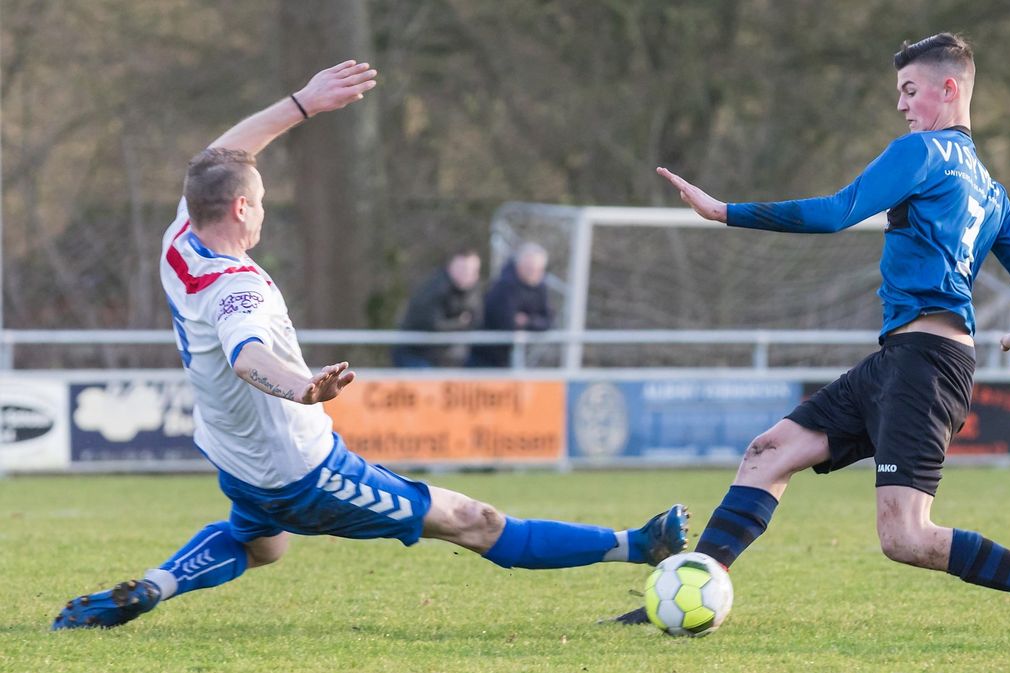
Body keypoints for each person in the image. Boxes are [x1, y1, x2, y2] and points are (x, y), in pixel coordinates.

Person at [52, 60, 688, 631]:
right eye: (264, 200)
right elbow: (248, 355)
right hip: (302, 471)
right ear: (242, 209)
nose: (267, 208)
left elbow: (222, 154)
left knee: (262, 546)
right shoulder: (234, 287)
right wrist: (302, 387)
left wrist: (304, 103)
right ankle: (638, 544)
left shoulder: (179, 243)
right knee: (474, 521)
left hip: (234, 456)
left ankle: (155, 586)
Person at [610, 33, 1010, 631]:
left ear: (949, 90)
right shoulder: (992, 193)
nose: (901, 105)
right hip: (908, 360)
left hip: (923, 366)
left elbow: (838, 211)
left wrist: (727, 212)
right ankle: (692, 587)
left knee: (906, 537)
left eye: (910, 90)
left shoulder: (922, 153)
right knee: (769, 453)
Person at [391, 249, 482, 368]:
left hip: (446, 358)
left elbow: (476, 321)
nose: (467, 274)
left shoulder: (473, 293)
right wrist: (460, 323)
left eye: (472, 271)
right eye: (462, 269)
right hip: (415, 353)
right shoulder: (436, 289)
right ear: (450, 267)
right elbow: (433, 325)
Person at [468, 242, 554, 368]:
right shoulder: (504, 287)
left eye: (538, 270)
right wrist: (533, 323)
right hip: (486, 358)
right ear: (519, 266)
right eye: (529, 268)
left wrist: (527, 321)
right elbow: (507, 325)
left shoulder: (540, 287)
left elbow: (549, 321)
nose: (534, 273)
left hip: (512, 357)